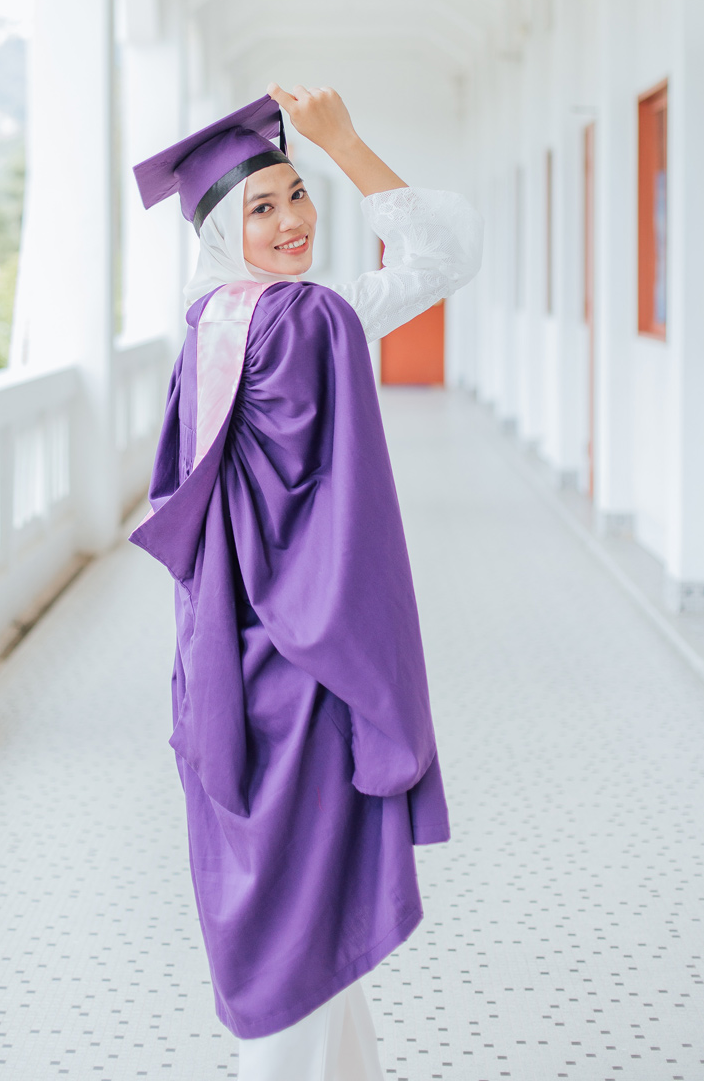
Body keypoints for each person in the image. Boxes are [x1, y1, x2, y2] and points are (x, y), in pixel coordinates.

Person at [129, 84, 483, 1081]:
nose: (292, 222)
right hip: (316, 659)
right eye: (262, 207)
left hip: (227, 662)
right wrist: (348, 143)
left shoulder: (206, 327)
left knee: (288, 893)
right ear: (216, 229)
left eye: (297, 194)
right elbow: (445, 254)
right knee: (307, 908)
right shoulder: (319, 316)